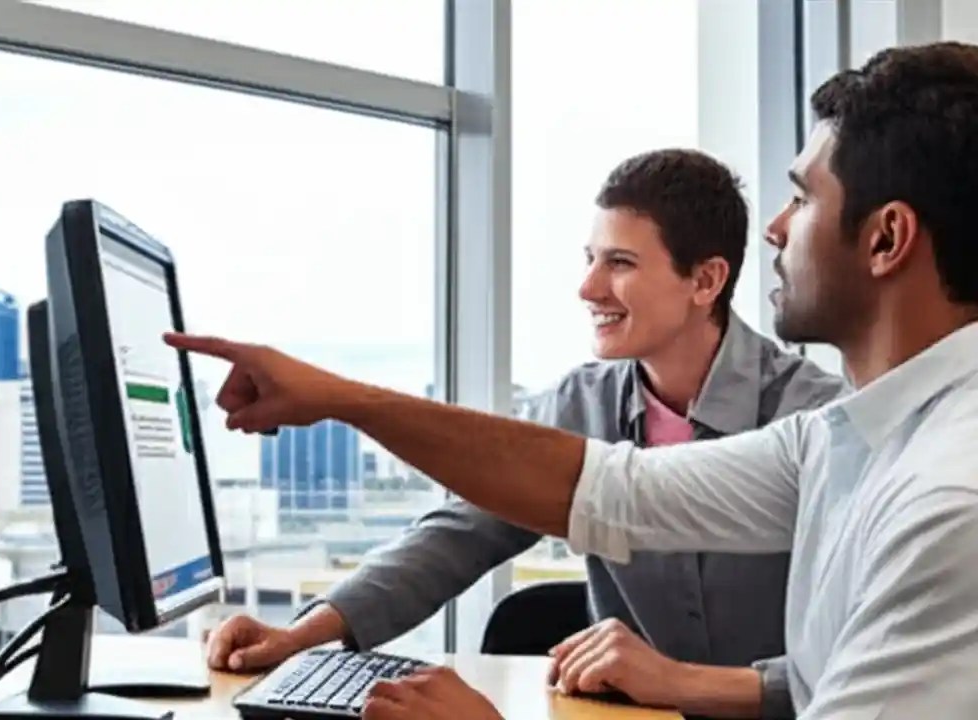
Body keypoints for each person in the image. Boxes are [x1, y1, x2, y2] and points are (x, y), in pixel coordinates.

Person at [168, 41, 978, 720]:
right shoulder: (845, 439)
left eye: (802, 198)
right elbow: (598, 492)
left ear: (886, 239)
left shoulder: (946, 503)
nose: (777, 226)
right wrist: (341, 399)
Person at [200, 149, 843, 719]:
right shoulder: (579, 403)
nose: (588, 287)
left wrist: (684, 683)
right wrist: (305, 635)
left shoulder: (815, 420)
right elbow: (459, 533)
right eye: (590, 259)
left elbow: (850, 665)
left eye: (619, 262)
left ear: (706, 281)